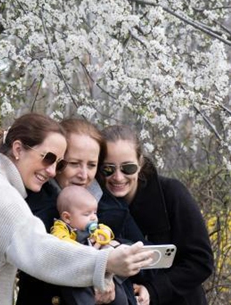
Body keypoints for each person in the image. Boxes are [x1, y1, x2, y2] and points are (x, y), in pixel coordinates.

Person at [0, 113, 154, 304]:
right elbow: (42, 252)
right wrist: (106, 261)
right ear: (18, 149)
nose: (50, 171)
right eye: (48, 158)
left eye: (58, 164)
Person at [16, 118, 145, 305]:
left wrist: (115, 249)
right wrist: (98, 268)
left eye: (91, 165)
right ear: (58, 163)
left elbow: (143, 255)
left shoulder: (111, 204)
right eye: (74, 164)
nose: (84, 175)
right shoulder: (33, 208)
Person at [101, 125, 214, 305]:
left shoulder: (171, 193)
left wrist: (154, 290)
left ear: (140, 163)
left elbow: (201, 261)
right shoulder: (90, 203)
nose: (118, 177)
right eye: (108, 169)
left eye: (127, 168)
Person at [51, 185, 130, 305]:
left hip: (101, 270)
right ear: (67, 217)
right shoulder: (61, 228)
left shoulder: (93, 228)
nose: (93, 217)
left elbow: (106, 229)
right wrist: (85, 250)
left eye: (95, 212)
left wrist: (104, 234)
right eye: (87, 214)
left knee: (120, 297)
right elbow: (61, 242)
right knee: (81, 296)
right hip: (77, 272)